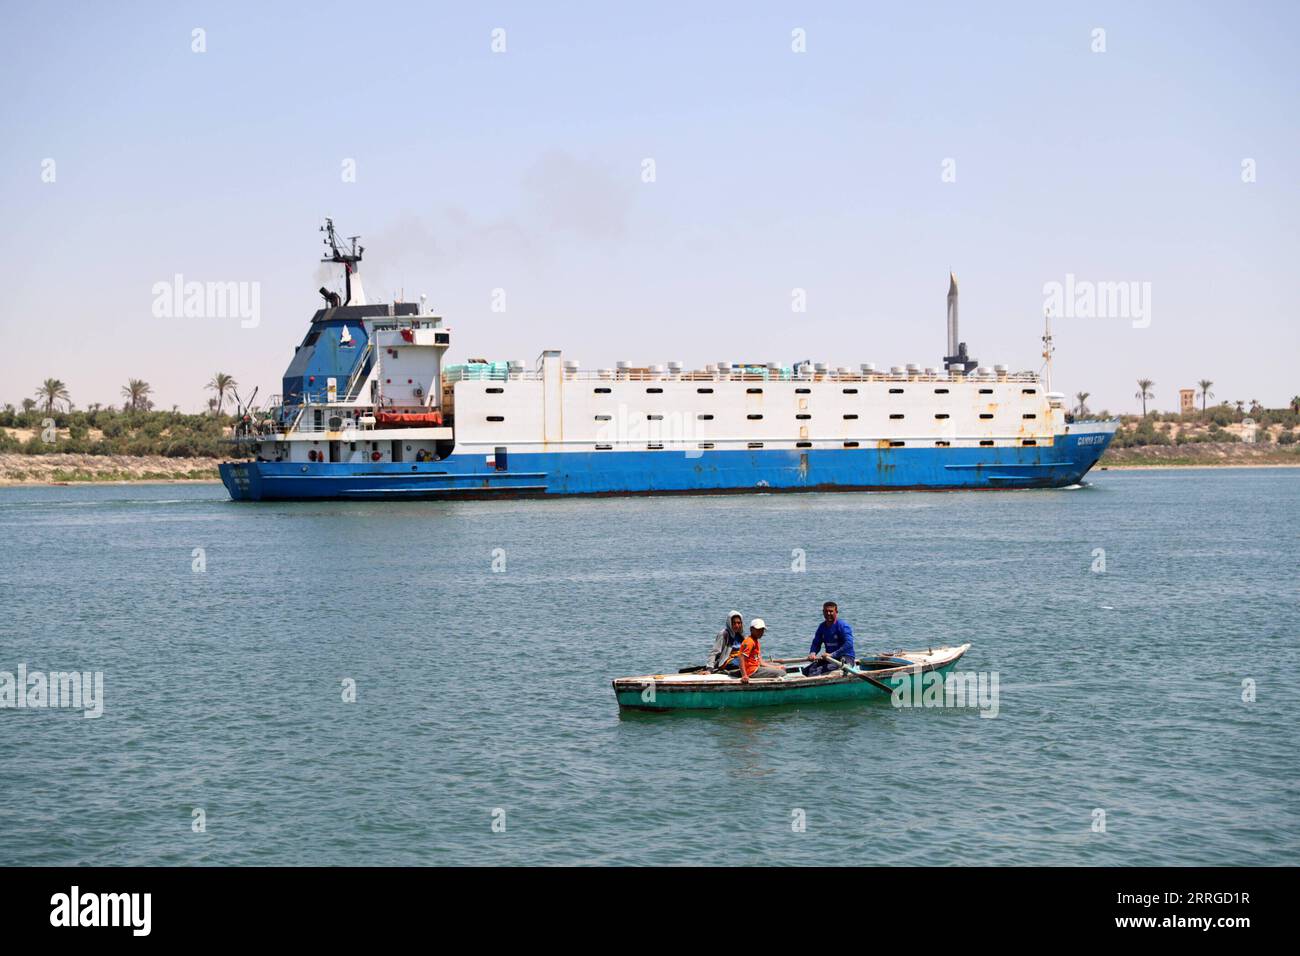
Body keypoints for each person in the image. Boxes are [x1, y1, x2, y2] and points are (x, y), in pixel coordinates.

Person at [804, 601, 856, 677]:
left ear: (836, 612)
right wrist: (813, 653)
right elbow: (816, 643)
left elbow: (849, 644)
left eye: (831, 611)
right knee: (806, 671)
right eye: (826, 611)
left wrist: (832, 654)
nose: (828, 614)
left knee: (815, 672)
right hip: (829, 658)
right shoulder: (822, 627)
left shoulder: (842, 626)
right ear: (823, 612)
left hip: (846, 658)